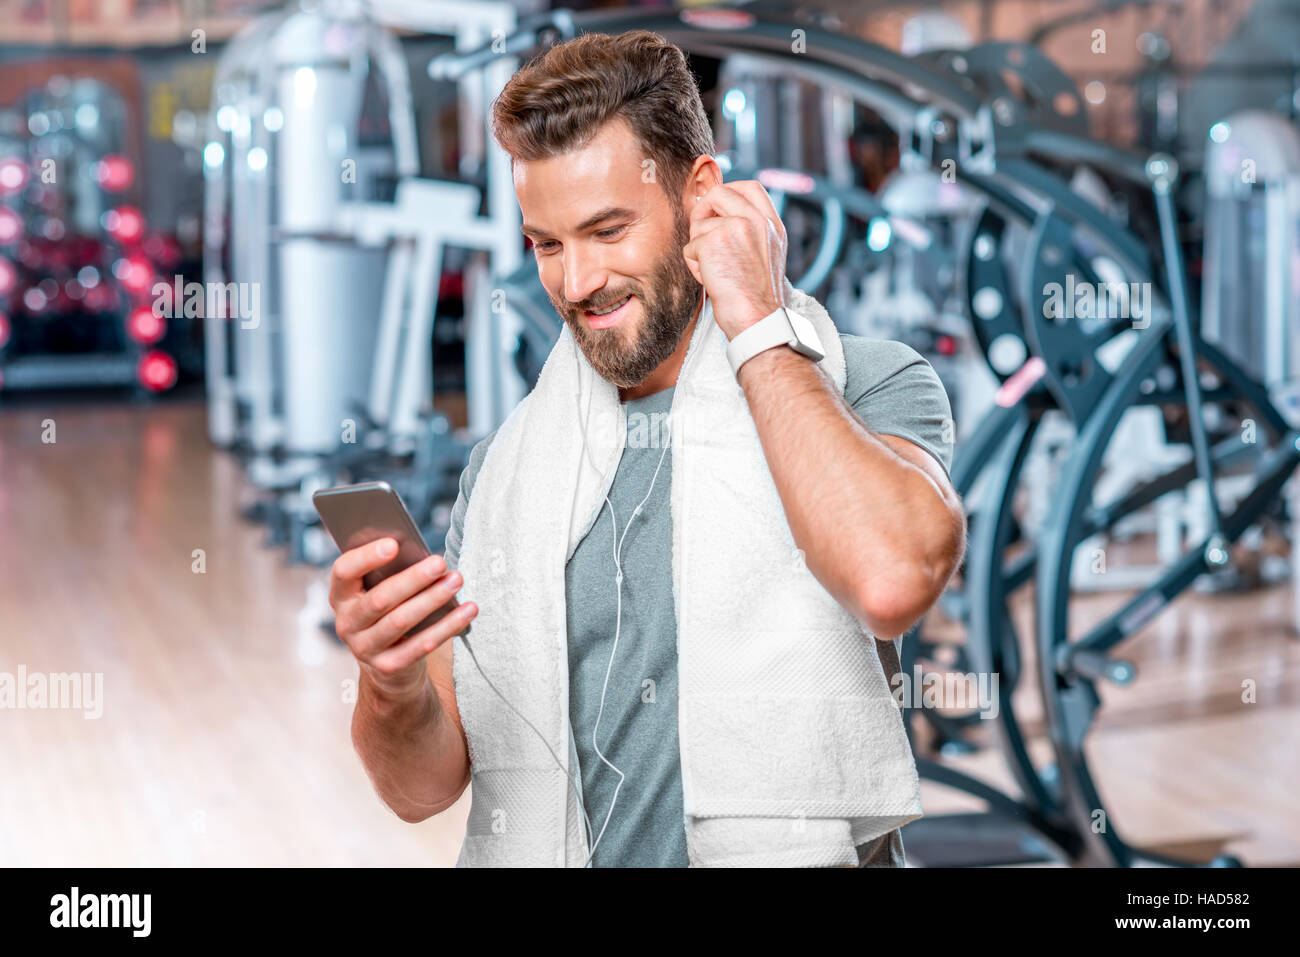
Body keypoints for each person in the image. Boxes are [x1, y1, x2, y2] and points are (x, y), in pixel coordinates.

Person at [330, 30, 966, 867]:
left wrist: (759, 325)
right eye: (547, 244)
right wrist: (391, 677)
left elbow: (891, 580)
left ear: (701, 196)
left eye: (607, 230)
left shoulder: (860, 384)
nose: (576, 280)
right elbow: (421, 789)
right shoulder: (507, 473)